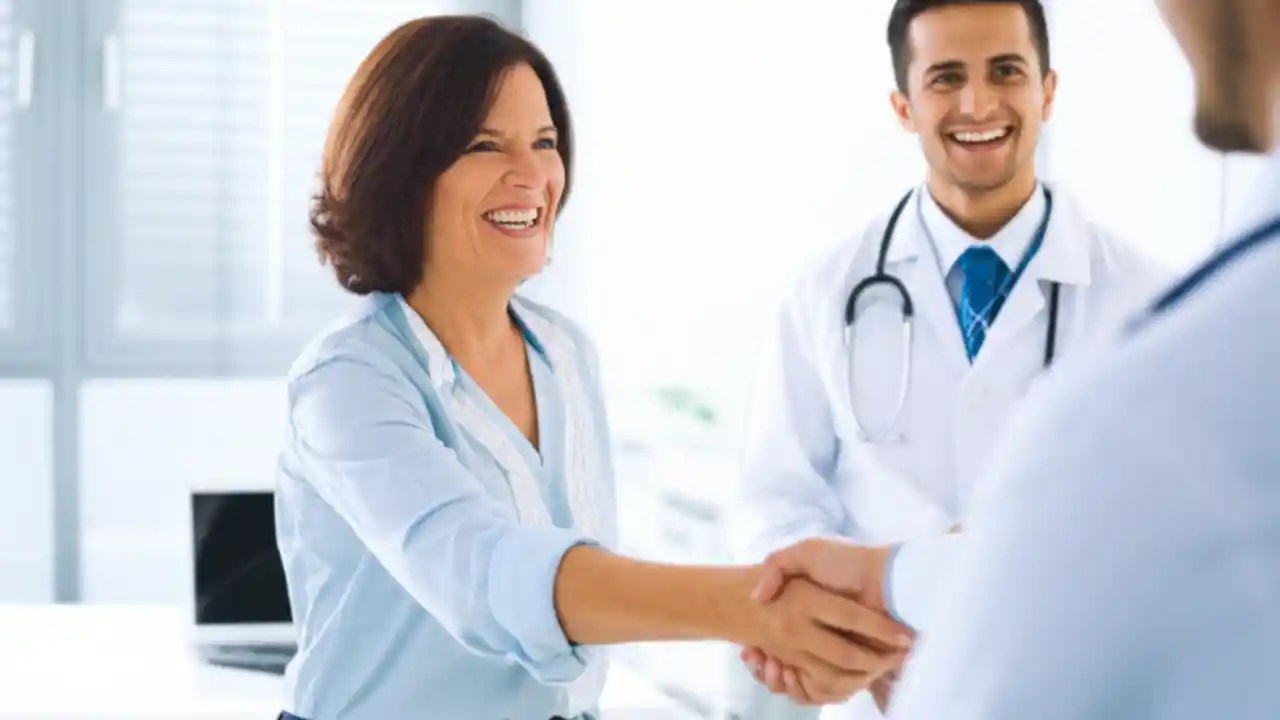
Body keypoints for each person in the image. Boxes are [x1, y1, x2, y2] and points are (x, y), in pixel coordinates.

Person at [274, 15, 910, 720]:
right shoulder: (348, 381)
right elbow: (485, 575)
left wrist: (805, 636)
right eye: (486, 146)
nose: (533, 176)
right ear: (400, 170)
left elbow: (581, 615)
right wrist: (754, 608)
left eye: (545, 143)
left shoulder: (564, 353)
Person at [749, 0, 1280, 717]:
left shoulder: (1149, 300)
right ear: (904, 106)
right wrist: (845, 637)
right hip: (872, 694)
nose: (978, 103)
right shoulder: (824, 292)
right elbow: (778, 501)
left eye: (1006, 71)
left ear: (1047, 91)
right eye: (945, 78)